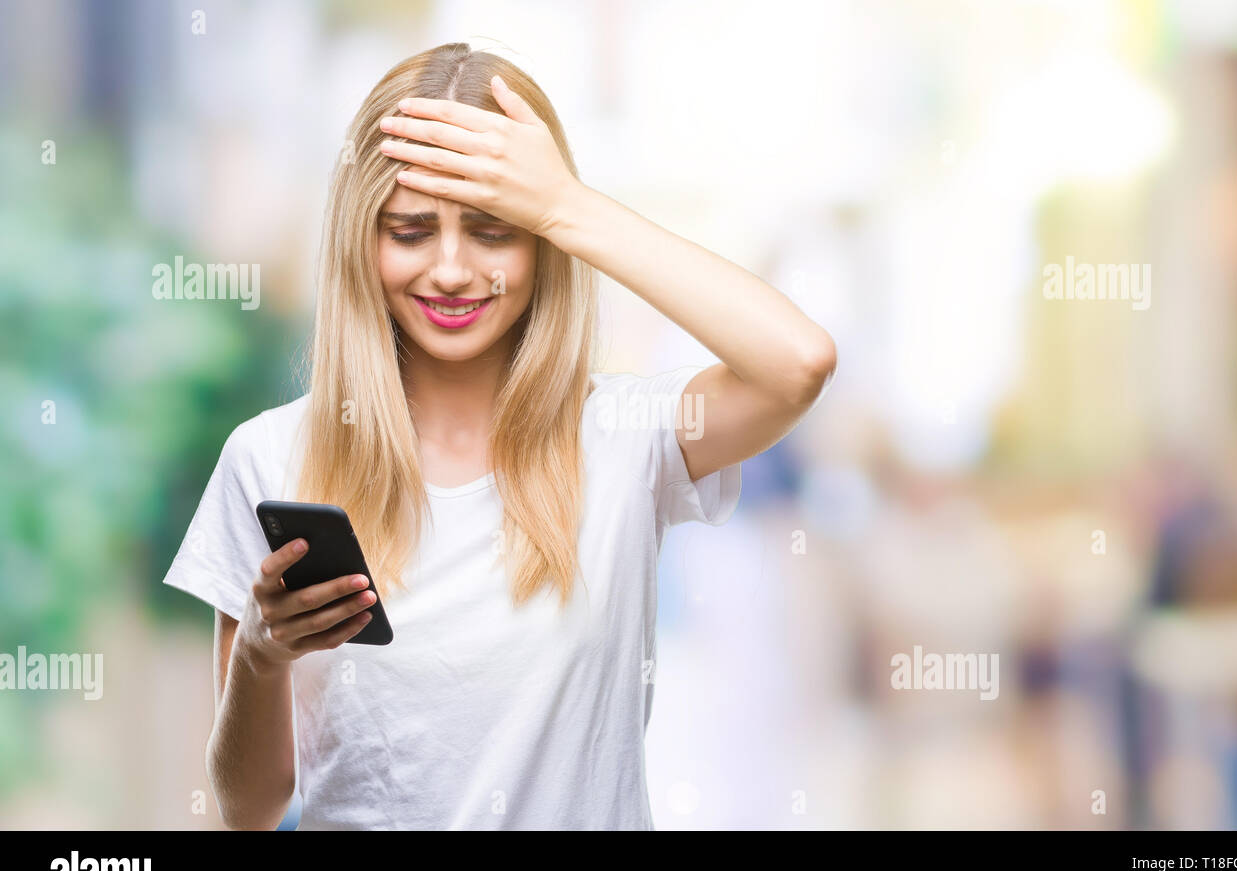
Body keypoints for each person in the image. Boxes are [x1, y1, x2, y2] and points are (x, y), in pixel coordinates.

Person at [162, 42, 836, 830]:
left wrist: (565, 202)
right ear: (362, 242)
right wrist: (263, 655)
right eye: (410, 231)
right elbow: (248, 809)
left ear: (543, 243)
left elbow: (798, 362)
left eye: (494, 230)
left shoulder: (624, 437)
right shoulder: (269, 457)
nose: (451, 270)